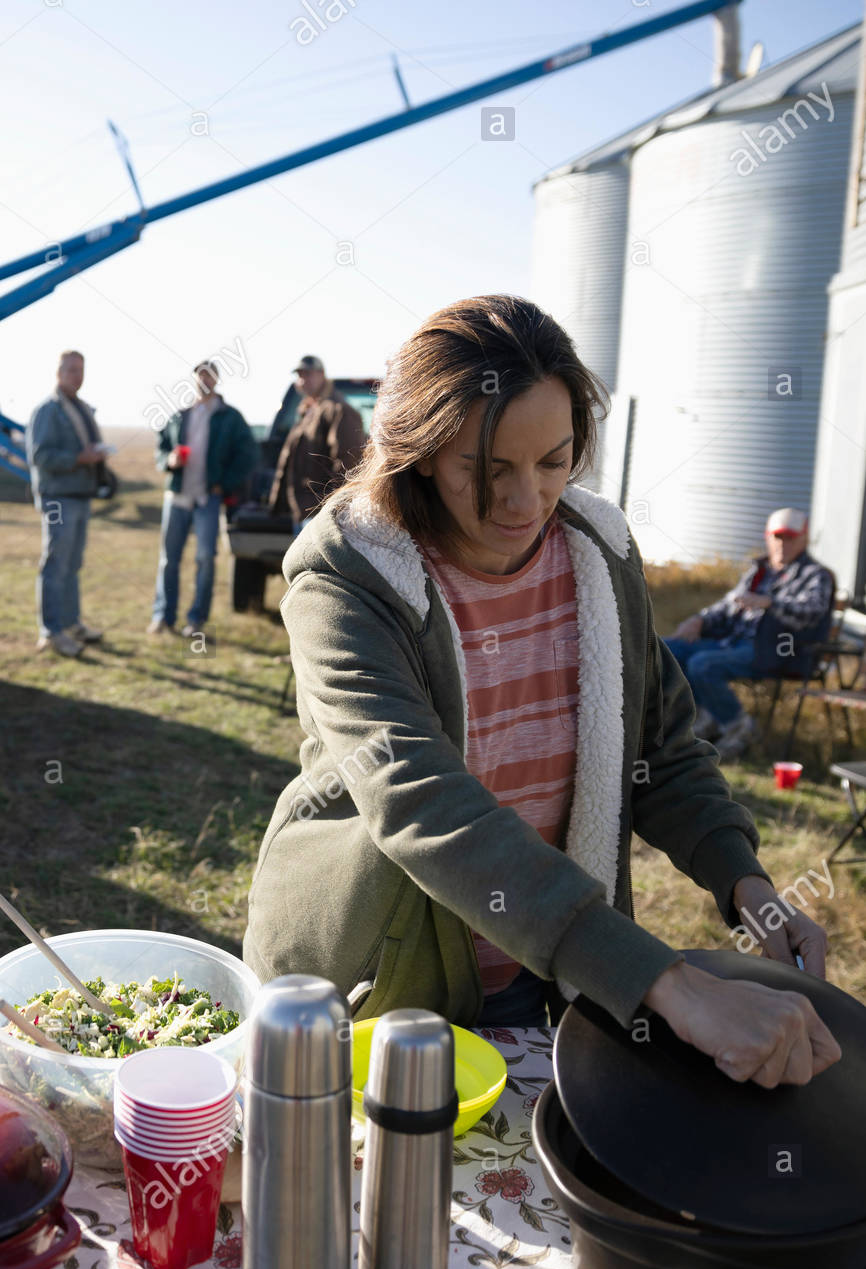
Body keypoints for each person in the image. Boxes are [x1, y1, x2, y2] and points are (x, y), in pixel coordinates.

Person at [244, 295, 839, 1090]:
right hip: (382, 982)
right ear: (420, 452)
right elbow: (422, 801)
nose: (525, 501)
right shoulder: (348, 580)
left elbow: (660, 749)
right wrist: (669, 982)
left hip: (553, 966)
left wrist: (747, 886)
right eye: (485, 471)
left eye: (553, 462)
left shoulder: (599, 557)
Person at [665, 509, 835, 759]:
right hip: (732, 643)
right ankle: (701, 718)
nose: (782, 544)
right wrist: (698, 620)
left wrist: (769, 602)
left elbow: (810, 613)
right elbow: (728, 605)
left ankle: (738, 727)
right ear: (767, 537)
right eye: (778, 537)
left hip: (777, 652)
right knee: (666, 649)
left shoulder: (816, 575)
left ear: (804, 539)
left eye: (790, 537)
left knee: (703, 664)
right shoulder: (759, 570)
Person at [148, 360, 257, 636]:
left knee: (205, 559)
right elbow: (161, 449)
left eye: (210, 376)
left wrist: (225, 484)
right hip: (177, 496)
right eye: (200, 376)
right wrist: (168, 460)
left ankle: (196, 620)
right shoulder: (180, 415)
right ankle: (163, 616)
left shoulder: (230, 417)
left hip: (207, 498)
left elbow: (248, 456)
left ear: (217, 380)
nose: (205, 380)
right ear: (194, 379)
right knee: (168, 559)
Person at [26, 350, 110, 658]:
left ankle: (72, 623)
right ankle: (51, 631)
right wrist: (78, 458)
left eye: (81, 370)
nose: (78, 375)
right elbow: (39, 456)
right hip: (58, 498)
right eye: (72, 370)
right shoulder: (49, 410)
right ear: (59, 373)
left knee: (73, 565)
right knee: (56, 564)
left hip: (80, 495)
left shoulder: (81, 408)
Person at [268, 354, 366, 537]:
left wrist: (331, 506)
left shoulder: (338, 410)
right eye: (300, 375)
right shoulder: (308, 411)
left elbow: (348, 462)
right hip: (303, 509)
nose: (304, 380)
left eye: (308, 374)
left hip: (321, 513)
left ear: (322, 374)